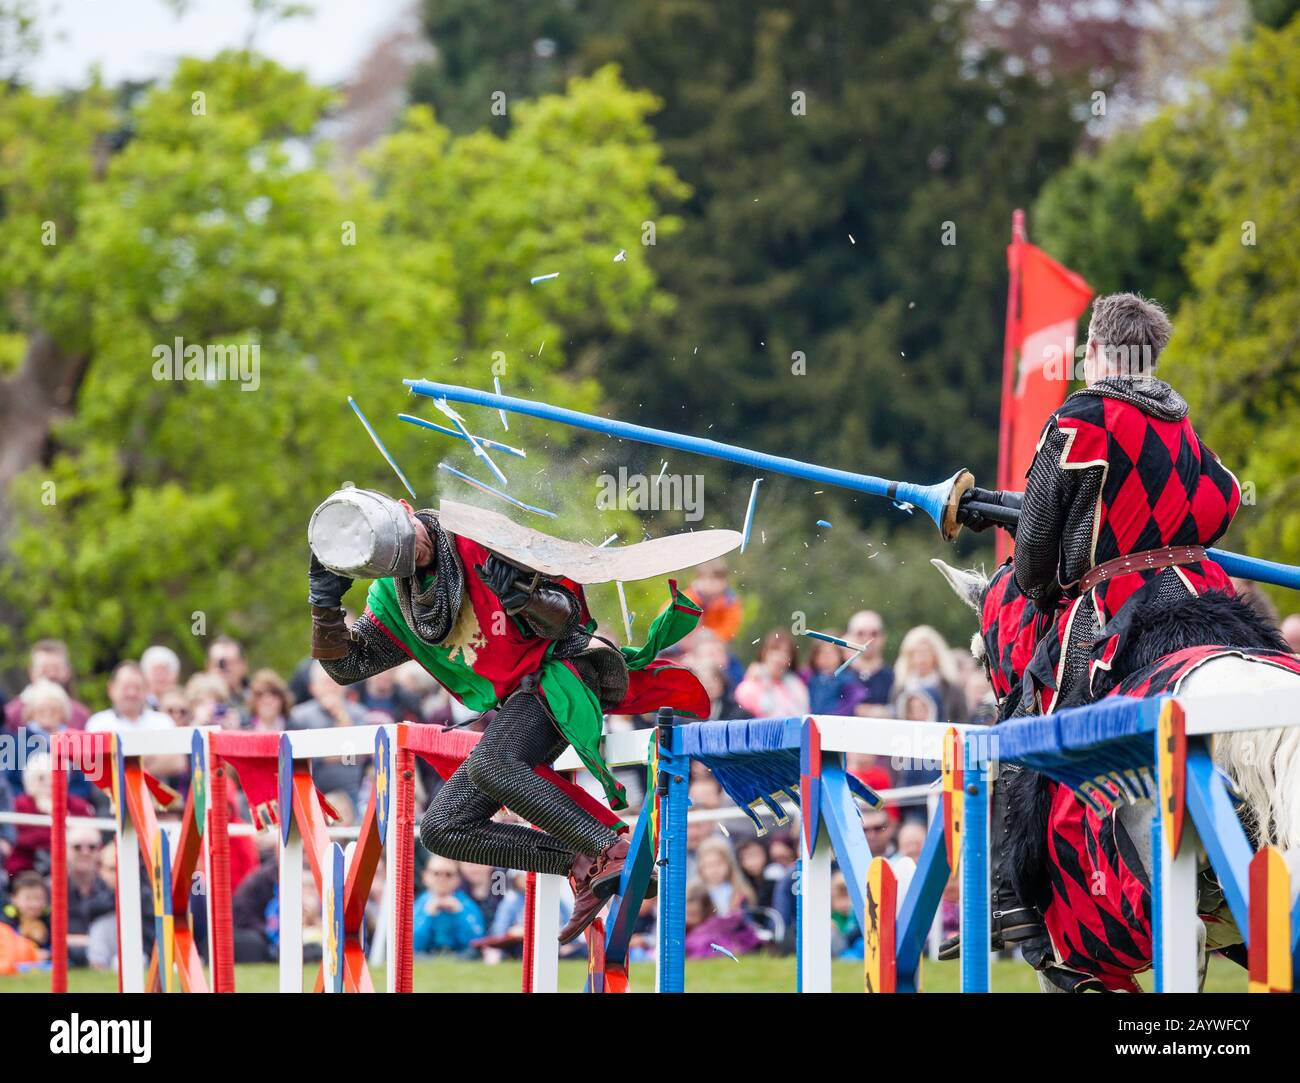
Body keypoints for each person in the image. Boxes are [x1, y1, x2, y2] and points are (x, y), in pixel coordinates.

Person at [962, 292, 1244, 966]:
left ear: (1093, 351)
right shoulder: (1184, 428)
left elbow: (1032, 554)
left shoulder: (1081, 416)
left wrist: (1049, 573)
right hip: (1205, 593)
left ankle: (1014, 898)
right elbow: (1224, 499)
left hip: (1119, 606)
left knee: (1028, 724)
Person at [306, 488, 709, 945]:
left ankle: (615, 848)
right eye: (399, 557)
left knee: (491, 766)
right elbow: (348, 667)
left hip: (562, 672)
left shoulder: (478, 539)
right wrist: (324, 606)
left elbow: (570, 619)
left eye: (411, 537)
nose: (415, 551)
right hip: (518, 700)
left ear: (403, 511)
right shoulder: (395, 600)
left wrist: (525, 597)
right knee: (443, 828)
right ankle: (583, 862)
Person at [3, 640, 92, 735]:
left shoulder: (81, 715)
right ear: (31, 672)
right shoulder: (11, 713)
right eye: (44, 669)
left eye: (56, 668)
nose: (51, 674)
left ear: (67, 671)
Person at [412, 858, 485, 956]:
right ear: (425, 876)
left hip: (460, 958)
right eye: (436, 873)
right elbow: (413, 944)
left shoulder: (466, 904)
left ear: (458, 879)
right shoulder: (418, 905)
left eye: (448, 874)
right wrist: (427, 916)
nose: (442, 879)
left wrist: (459, 914)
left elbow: (476, 943)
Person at [893, 625, 966, 722]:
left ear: (936, 655)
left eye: (925, 653)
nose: (920, 659)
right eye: (914, 653)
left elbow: (962, 720)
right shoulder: (900, 689)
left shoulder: (951, 689)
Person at [734, 630, 809, 717]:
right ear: (764, 652)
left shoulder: (797, 687)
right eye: (775, 650)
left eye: (786, 652)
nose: (780, 657)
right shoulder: (750, 686)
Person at [85, 662, 174, 733]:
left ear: (146, 690)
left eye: (137, 687)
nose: (132, 693)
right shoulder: (98, 724)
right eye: (126, 687)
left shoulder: (163, 723)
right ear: (111, 689)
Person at [844, 611, 894, 718]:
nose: (867, 639)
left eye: (874, 634)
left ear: (883, 638)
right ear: (849, 637)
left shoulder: (893, 677)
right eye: (860, 633)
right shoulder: (837, 674)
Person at [801, 636, 864, 715]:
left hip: (836, 720)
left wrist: (837, 713)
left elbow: (855, 698)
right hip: (811, 719)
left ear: (840, 655)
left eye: (831, 653)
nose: (827, 657)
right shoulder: (808, 676)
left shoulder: (846, 679)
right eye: (821, 653)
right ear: (814, 656)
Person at [139, 645, 182, 709]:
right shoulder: (138, 705)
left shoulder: (183, 707)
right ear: (145, 675)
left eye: (164, 671)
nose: (160, 677)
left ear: (174, 676)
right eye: (156, 671)